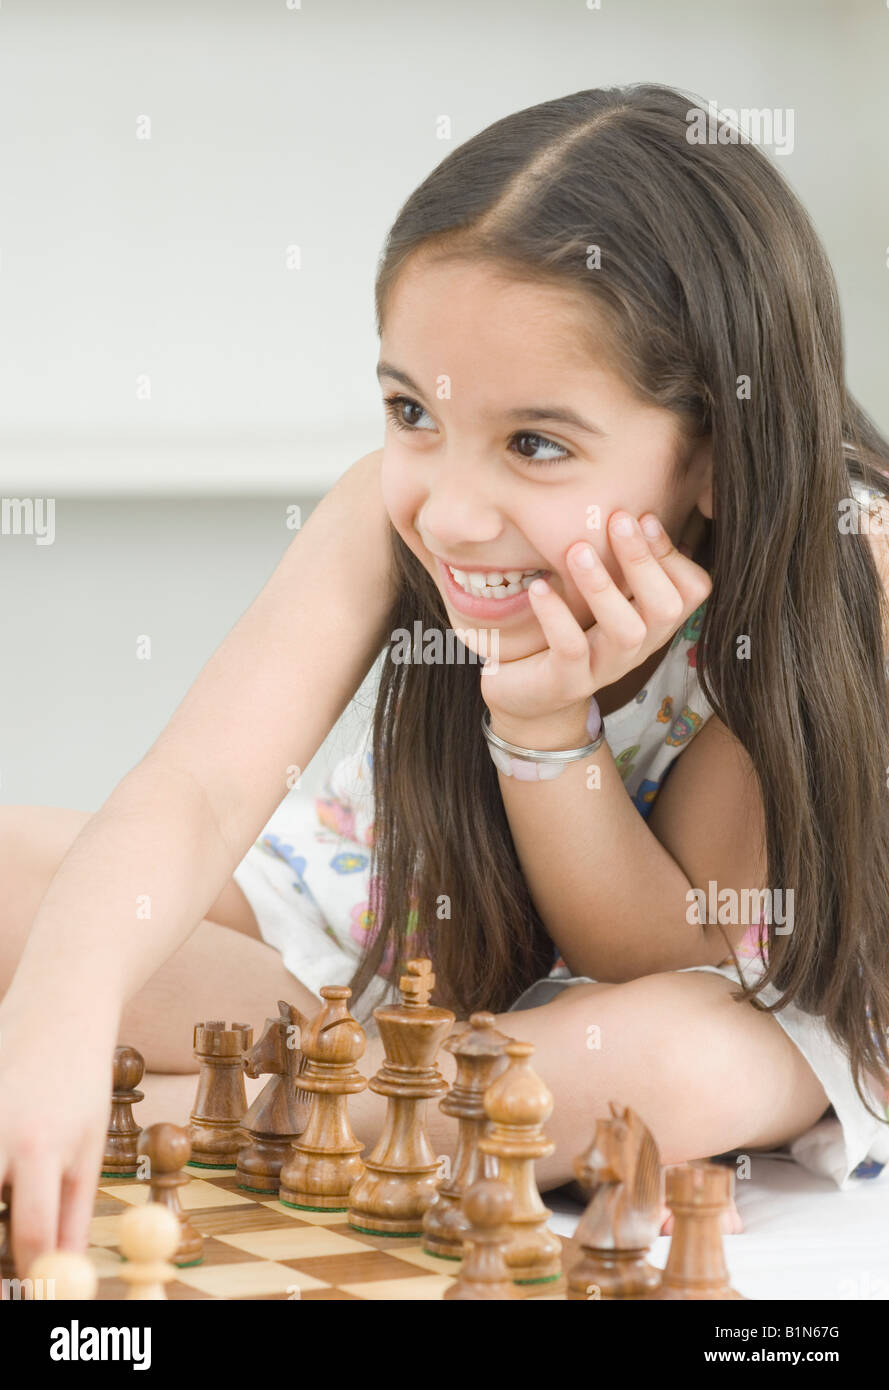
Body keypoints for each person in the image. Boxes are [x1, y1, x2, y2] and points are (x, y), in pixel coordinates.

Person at [3, 82, 889, 1277]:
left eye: (536, 443)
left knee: (683, 1063)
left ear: (718, 457)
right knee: (41, 897)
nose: (453, 511)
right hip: (380, 947)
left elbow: (677, 960)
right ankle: (364, 1100)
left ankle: (209, 1107)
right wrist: (59, 1012)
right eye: (411, 410)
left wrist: (542, 725)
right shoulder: (385, 510)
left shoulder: (836, 571)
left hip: (665, 1000)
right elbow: (199, 791)